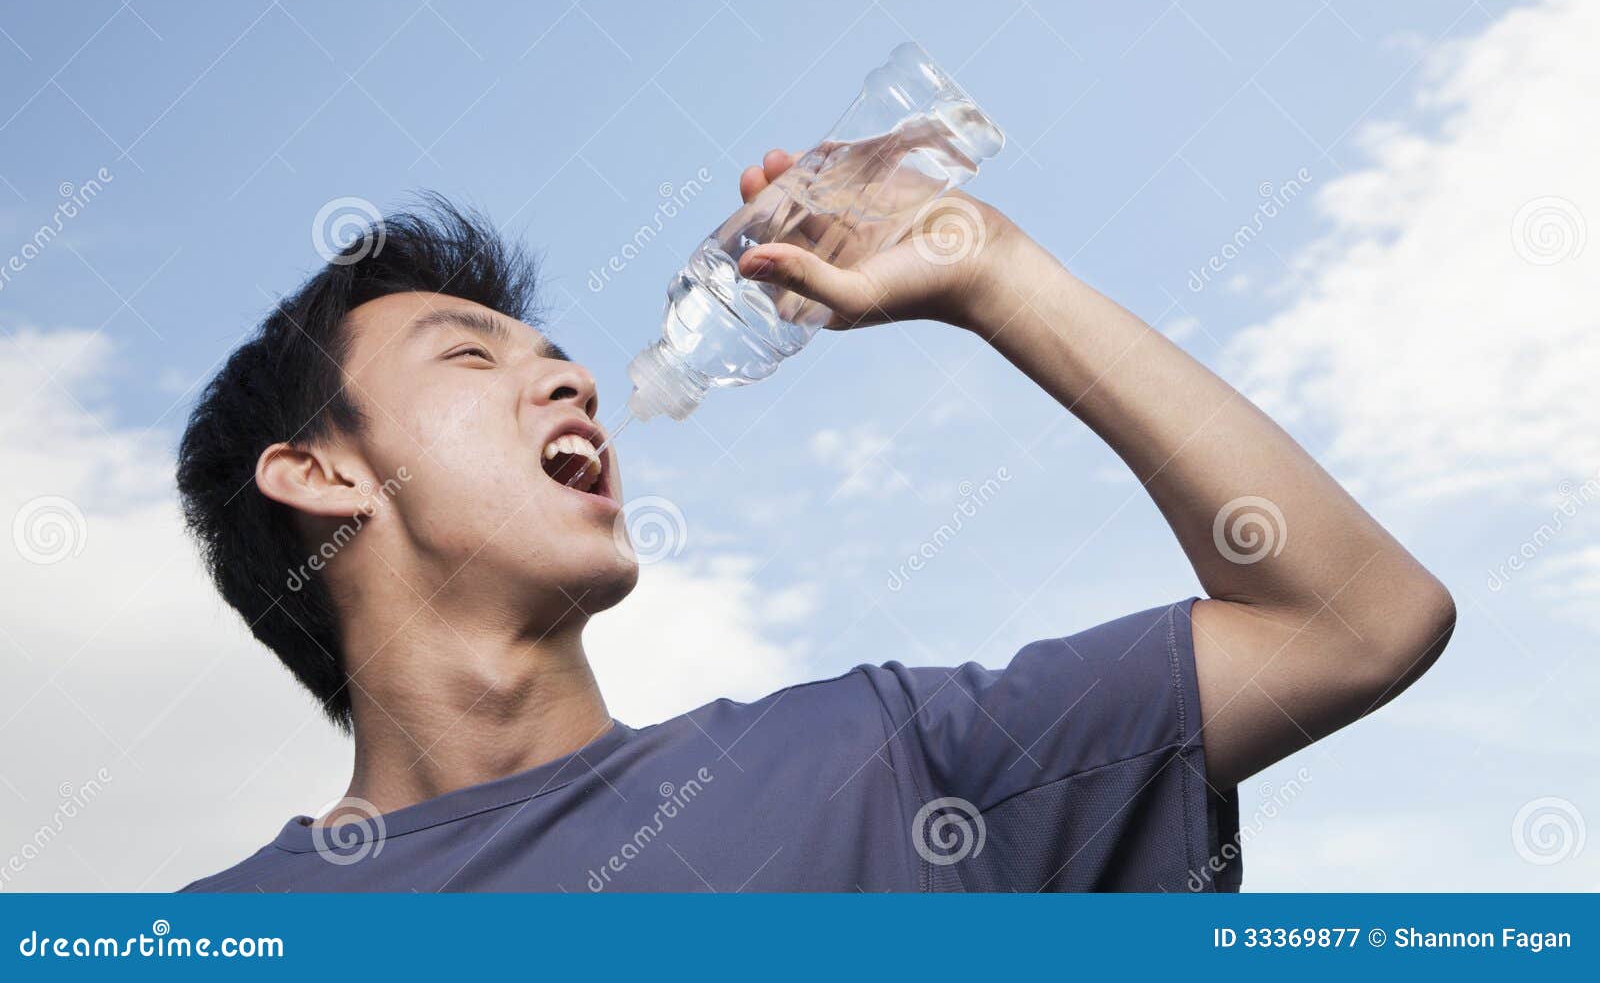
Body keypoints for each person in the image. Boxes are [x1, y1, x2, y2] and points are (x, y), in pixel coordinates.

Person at [175, 154, 1453, 891]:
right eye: (469, 355)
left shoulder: (888, 763)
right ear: (321, 476)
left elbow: (1353, 622)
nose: (570, 382)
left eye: (561, 358)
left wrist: (994, 273)